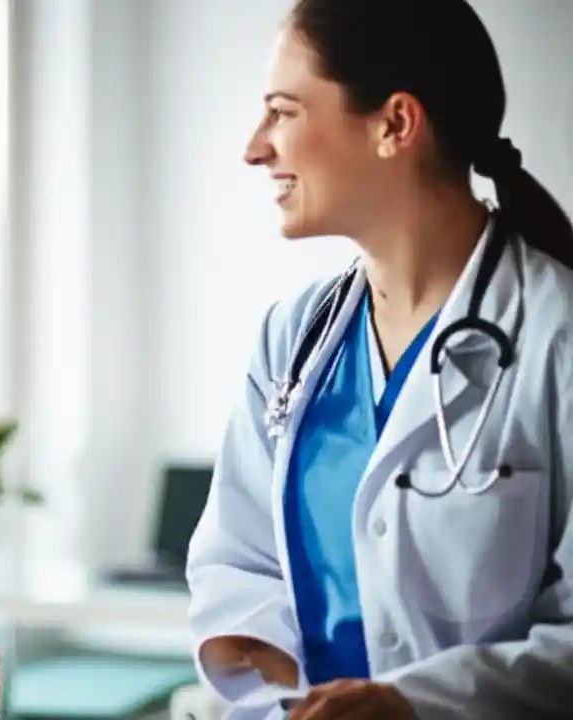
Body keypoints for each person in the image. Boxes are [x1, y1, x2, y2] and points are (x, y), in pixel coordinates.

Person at [185, 1, 573, 718]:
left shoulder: (556, 337)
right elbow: (236, 562)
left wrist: (411, 704)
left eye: (282, 112)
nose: (255, 147)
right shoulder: (293, 336)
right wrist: (274, 674)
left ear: (396, 124)